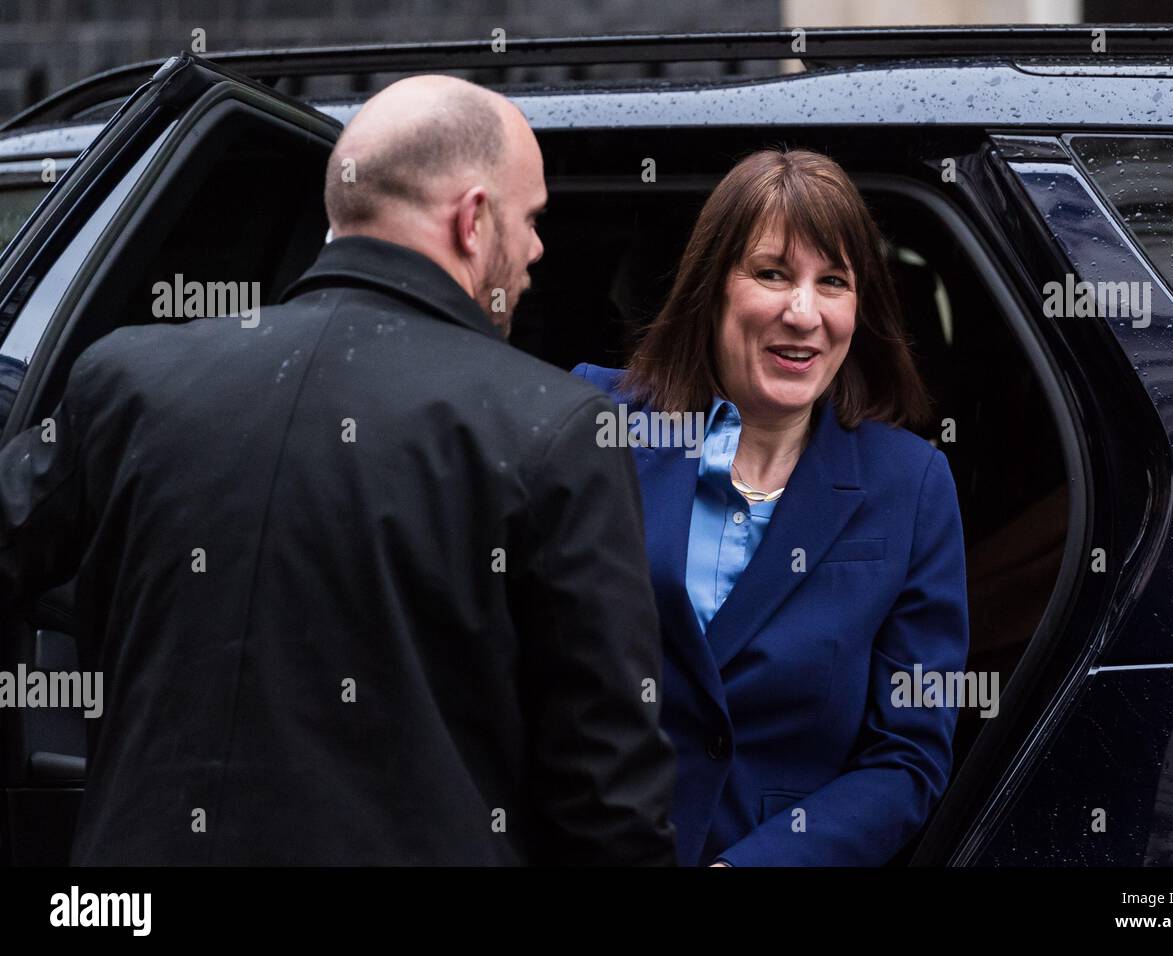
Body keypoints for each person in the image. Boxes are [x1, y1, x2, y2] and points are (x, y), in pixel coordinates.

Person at [0, 75, 677, 865]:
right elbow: (607, 788)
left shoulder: (127, 378)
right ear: (473, 218)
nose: (535, 251)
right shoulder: (557, 429)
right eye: (530, 221)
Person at [572, 148, 969, 866]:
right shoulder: (594, 425)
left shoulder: (910, 486)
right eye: (772, 273)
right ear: (712, 287)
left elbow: (908, 756)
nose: (804, 312)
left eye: (835, 282)